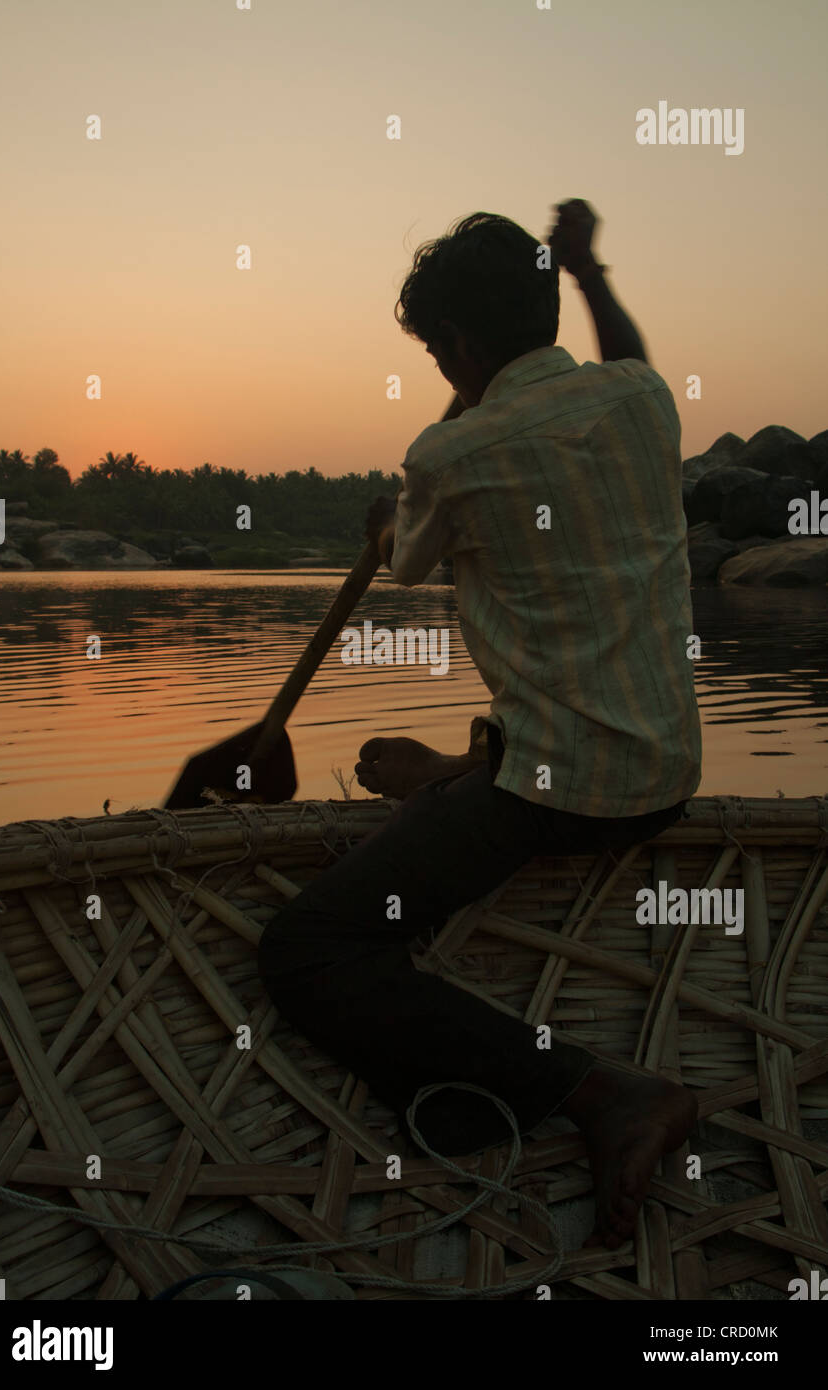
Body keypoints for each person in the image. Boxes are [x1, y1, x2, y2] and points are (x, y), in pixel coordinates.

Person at [258, 200, 702, 1251]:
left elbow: (403, 557)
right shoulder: (640, 400)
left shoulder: (446, 452)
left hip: (557, 793)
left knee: (309, 949)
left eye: (434, 352)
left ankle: (600, 1093)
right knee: (493, 757)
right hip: (665, 765)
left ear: (454, 345)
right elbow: (627, 359)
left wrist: (392, 502)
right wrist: (590, 271)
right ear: (552, 306)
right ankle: (461, 774)